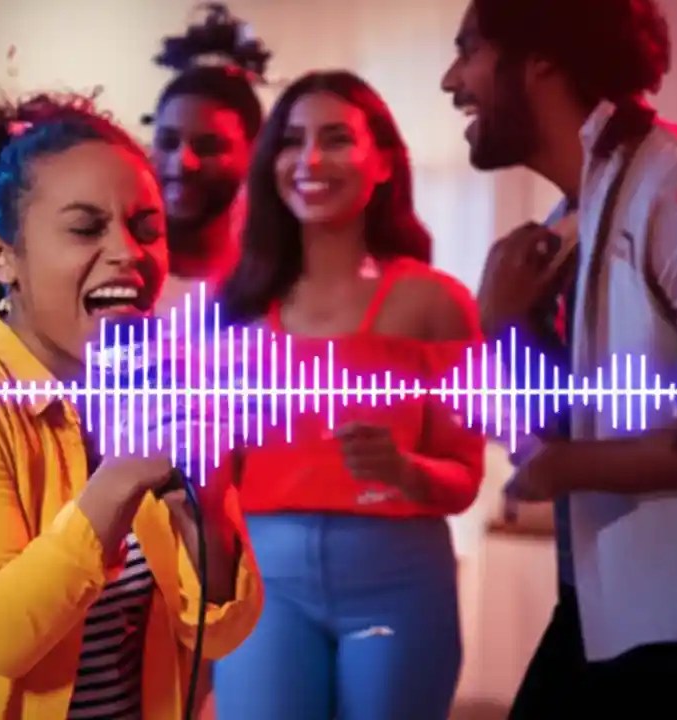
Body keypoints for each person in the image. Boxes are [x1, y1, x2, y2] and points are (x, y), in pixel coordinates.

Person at [0, 93, 263, 718]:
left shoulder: (163, 390)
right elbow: (4, 635)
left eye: (147, 227)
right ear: (2, 256)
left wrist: (210, 510)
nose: (128, 251)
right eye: (86, 228)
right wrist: (120, 478)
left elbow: (220, 633)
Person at [442, 0, 677, 716]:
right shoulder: (572, 219)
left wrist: (568, 469)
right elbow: (552, 435)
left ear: (541, 54)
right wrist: (504, 326)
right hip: (600, 614)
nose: (451, 79)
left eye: (469, 49)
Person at [211, 70, 485, 720]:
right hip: (266, 586)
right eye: (292, 140)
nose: (309, 160)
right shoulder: (239, 308)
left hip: (398, 585)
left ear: (384, 161)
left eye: (336, 139)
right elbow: (211, 476)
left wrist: (401, 469)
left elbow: (465, 479)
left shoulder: (436, 303)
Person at [146, 3, 266, 314]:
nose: (183, 162)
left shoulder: (273, 284)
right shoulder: (120, 273)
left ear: (255, 152)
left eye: (209, 146)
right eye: (168, 142)